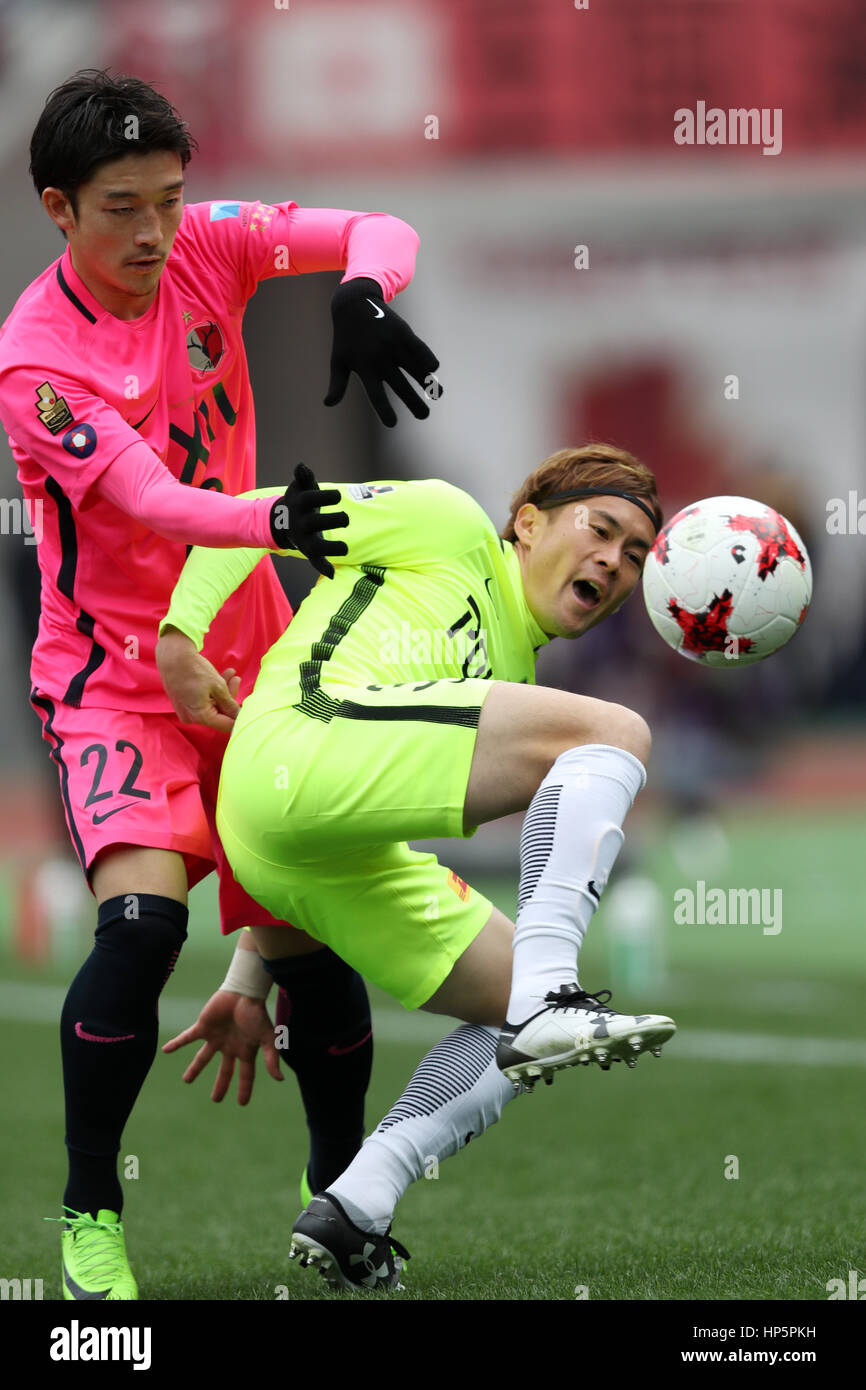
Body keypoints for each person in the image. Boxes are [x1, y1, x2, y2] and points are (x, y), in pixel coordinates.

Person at [0, 67, 441, 1301]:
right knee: (139, 927)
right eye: (121, 208)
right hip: (115, 677)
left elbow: (378, 228)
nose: (153, 233)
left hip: (255, 665)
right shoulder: (33, 360)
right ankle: (92, 1217)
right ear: (57, 208)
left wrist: (362, 291)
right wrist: (286, 516)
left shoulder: (205, 246)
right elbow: (151, 502)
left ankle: (342, 1202)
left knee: (303, 942)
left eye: (170, 201)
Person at [157, 443, 677, 1290]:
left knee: (513, 1000)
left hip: (296, 840)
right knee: (617, 735)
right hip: (300, 735)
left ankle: (356, 1202)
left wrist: (250, 968)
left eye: (634, 557)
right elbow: (248, 522)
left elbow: (343, 809)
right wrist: (181, 637)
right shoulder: (448, 521)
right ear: (529, 523)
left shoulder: (514, 673)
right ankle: (555, 996)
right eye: (603, 529)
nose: (614, 563)